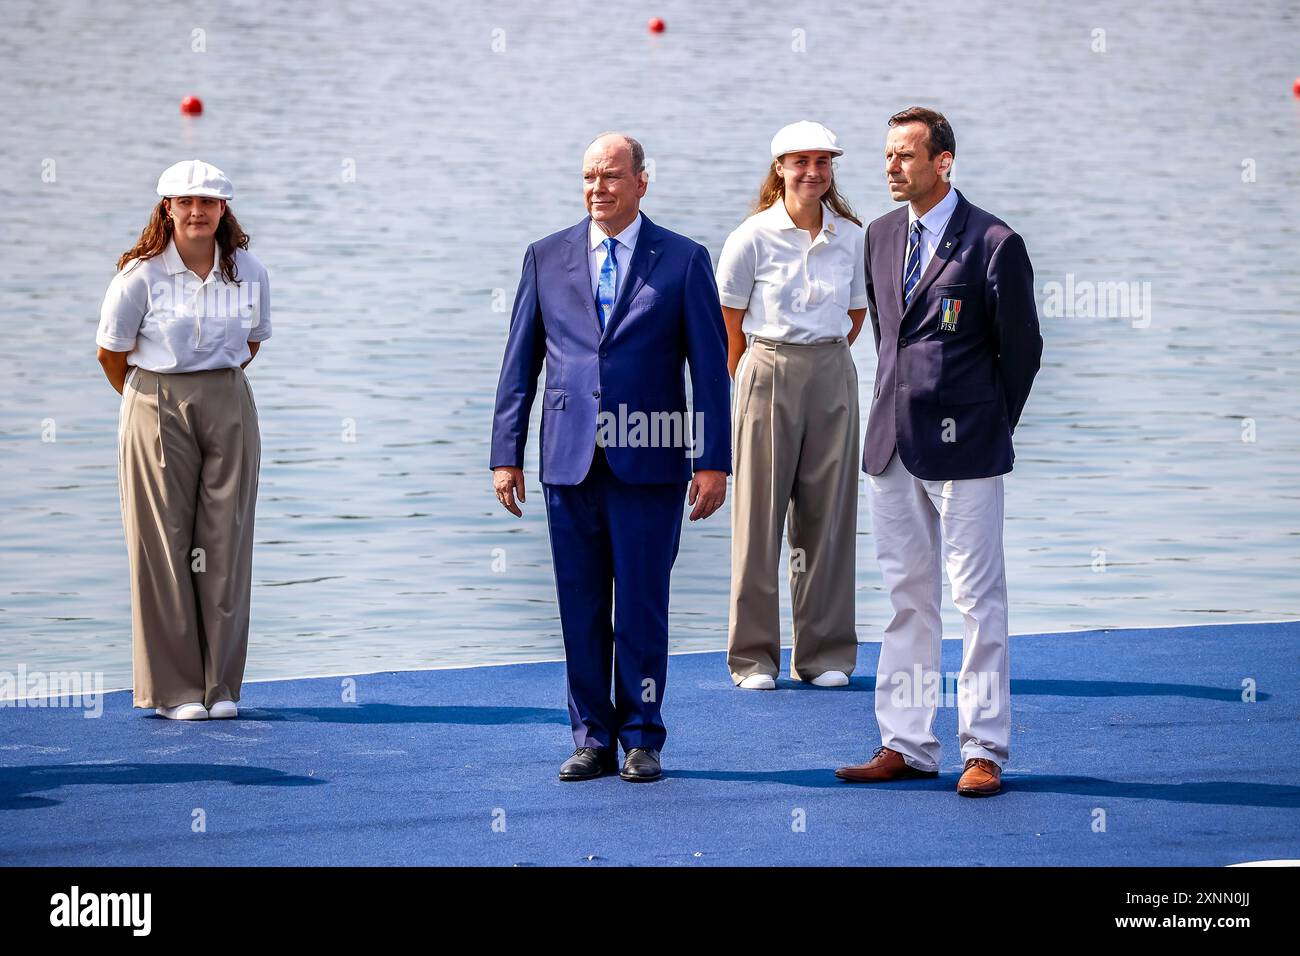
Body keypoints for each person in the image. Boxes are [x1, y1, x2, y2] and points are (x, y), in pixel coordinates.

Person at [490, 132, 730, 783]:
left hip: (651, 460)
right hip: (568, 461)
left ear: (641, 182)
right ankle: (592, 738)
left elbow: (711, 371)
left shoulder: (683, 259)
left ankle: (642, 738)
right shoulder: (545, 257)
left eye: (612, 176)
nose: (599, 188)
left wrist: (713, 461)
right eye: (590, 177)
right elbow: (520, 364)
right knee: (581, 607)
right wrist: (506, 454)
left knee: (643, 607)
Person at [835, 108, 1042, 796]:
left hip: (968, 450)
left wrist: (989, 424)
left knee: (977, 601)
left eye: (905, 155)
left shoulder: (994, 242)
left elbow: (1022, 350)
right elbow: (889, 339)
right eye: (887, 155)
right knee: (906, 598)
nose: (891, 167)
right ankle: (906, 743)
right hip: (890, 445)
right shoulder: (880, 235)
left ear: (943, 162)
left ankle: (983, 750)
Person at [96, 159, 270, 721]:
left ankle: (220, 687)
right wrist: (151, 403)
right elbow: (110, 355)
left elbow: (252, 343)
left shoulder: (248, 270)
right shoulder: (139, 275)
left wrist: (213, 387)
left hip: (228, 401)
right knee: (163, 546)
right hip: (154, 401)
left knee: (225, 544)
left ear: (223, 209)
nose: (197, 212)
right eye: (186, 202)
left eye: (208, 202)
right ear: (167, 208)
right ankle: (174, 692)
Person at [715, 121, 867, 691]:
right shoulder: (751, 237)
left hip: (832, 370)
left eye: (822, 162)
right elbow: (728, 328)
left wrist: (820, 359)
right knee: (759, 518)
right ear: (779, 168)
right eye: (800, 161)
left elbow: (855, 316)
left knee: (829, 518)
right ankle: (753, 657)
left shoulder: (852, 237)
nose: (812, 172)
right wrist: (756, 377)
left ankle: (824, 654)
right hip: (767, 371)